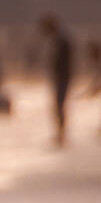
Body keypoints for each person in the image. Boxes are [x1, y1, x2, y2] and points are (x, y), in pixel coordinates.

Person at [38, 15, 73, 145]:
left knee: (59, 105)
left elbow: (61, 60)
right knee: (59, 105)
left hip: (62, 77)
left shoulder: (61, 39)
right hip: (61, 77)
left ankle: (61, 134)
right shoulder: (59, 38)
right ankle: (60, 133)